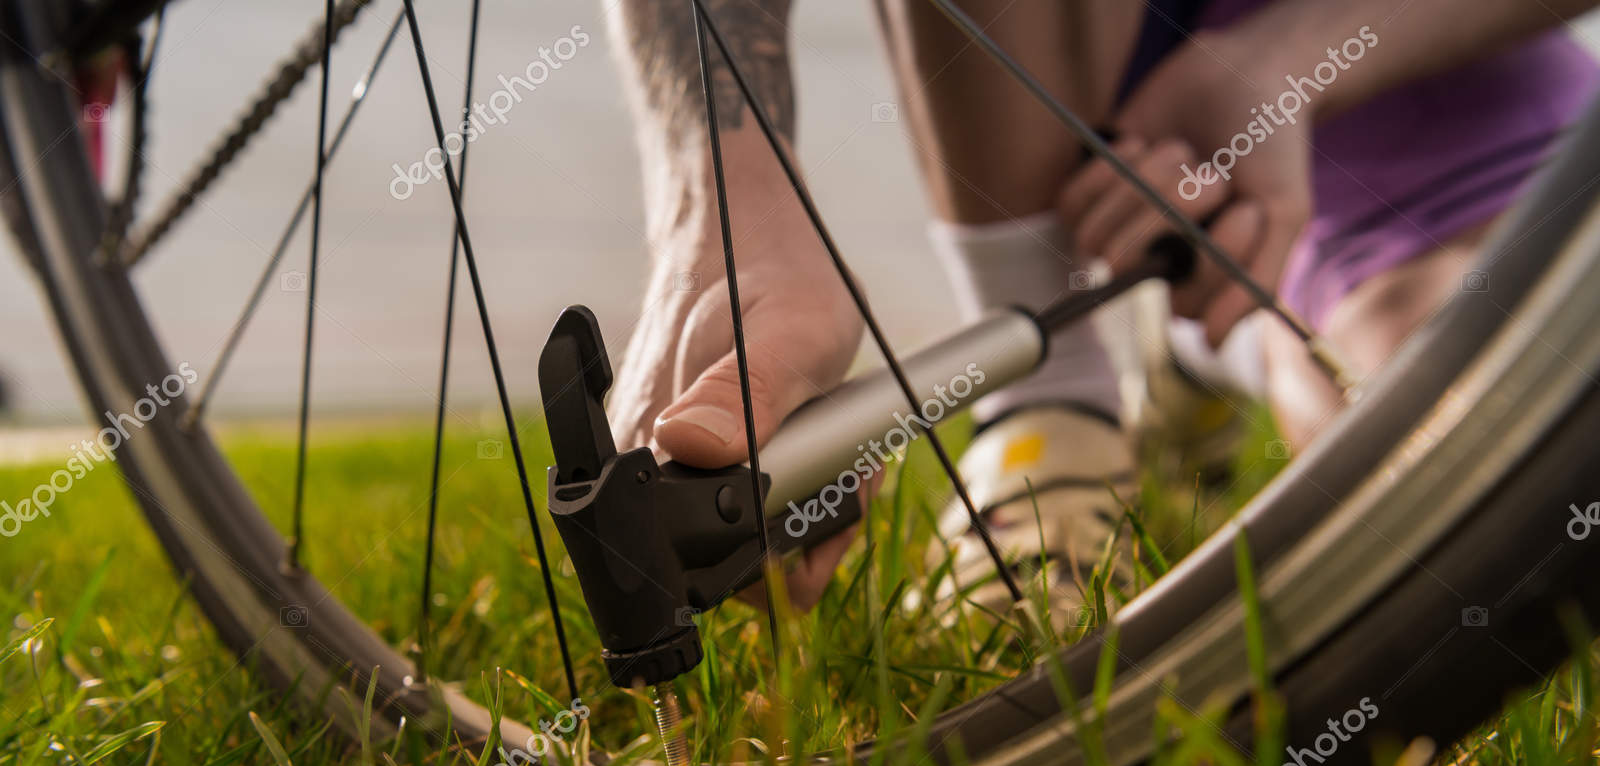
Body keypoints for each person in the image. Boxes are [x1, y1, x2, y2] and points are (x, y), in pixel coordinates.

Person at [605, 0, 1600, 613]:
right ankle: (1053, 408)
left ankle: (1218, 329)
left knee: (1494, 415)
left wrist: (1281, 60)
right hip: (1028, 49)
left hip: (1408, 34)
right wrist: (722, 200)